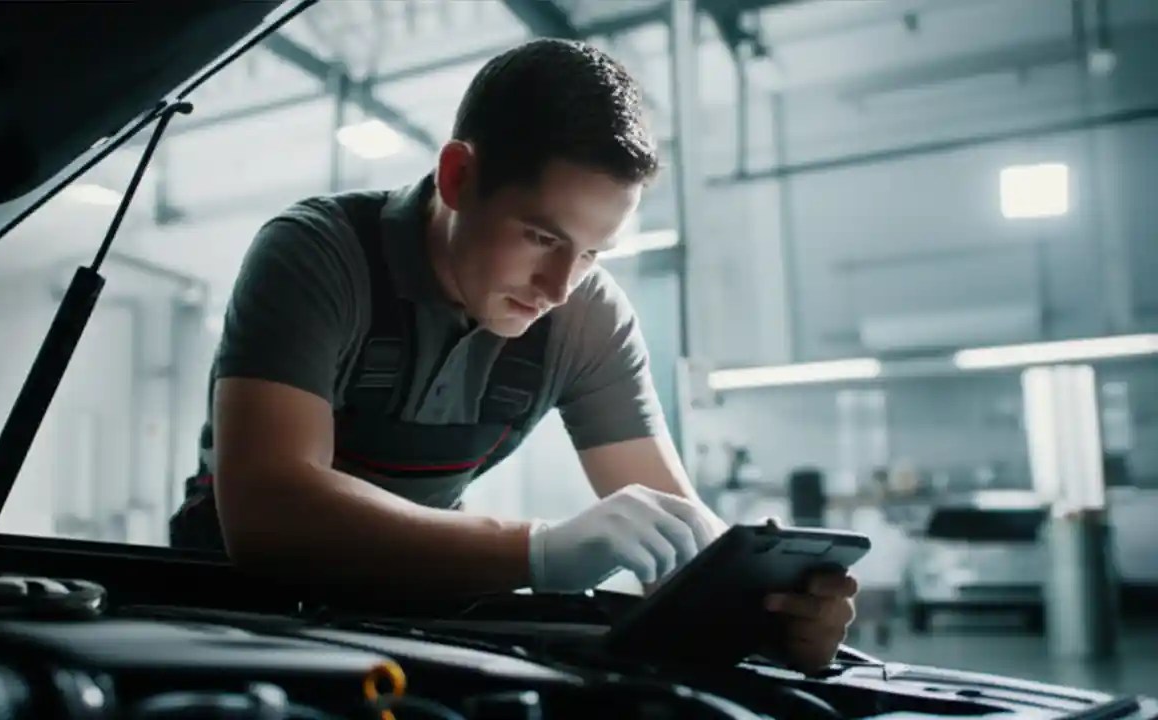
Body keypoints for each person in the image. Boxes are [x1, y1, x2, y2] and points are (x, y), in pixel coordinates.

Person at [169, 39, 856, 672]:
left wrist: (777, 618)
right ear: (457, 175)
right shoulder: (317, 255)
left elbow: (683, 547)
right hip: (228, 621)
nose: (560, 288)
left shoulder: (589, 317)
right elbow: (268, 511)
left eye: (591, 253)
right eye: (539, 237)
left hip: (413, 615)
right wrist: (538, 550)